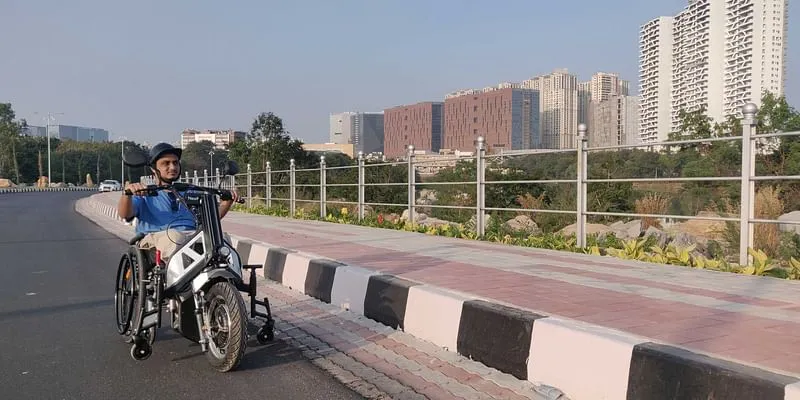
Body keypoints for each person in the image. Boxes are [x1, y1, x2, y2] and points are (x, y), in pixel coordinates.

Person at [117, 142, 239, 263]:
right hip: (156, 240)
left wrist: (227, 202)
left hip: (191, 237)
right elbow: (125, 214)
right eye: (166, 163)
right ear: (153, 168)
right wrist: (127, 195)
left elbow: (211, 218)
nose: (173, 167)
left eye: (175, 163)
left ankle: (231, 279)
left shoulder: (191, 191)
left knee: (222, 237)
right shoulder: (144, 193)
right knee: (174, 237)